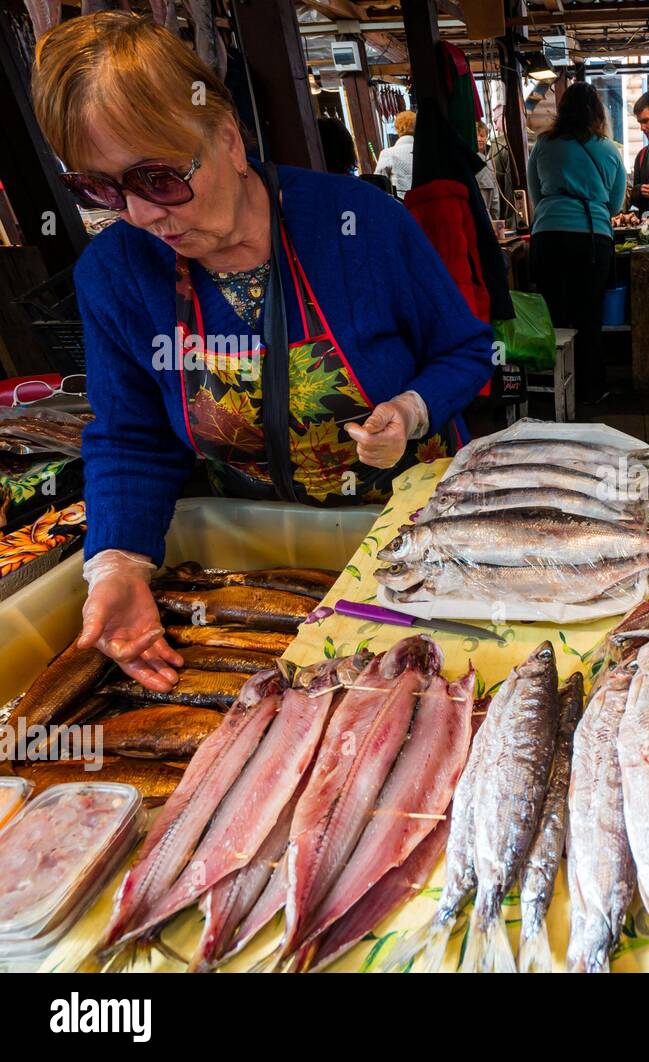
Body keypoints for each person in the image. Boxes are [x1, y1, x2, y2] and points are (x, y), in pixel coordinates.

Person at [31, 13, 493, 692]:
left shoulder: (358, 225)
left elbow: (466, 348)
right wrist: (118, 565)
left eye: (158, 179)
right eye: (100, 189)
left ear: (227, 138)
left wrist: (412, 410)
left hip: (418, 544)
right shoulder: (116, 273)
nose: (139, 215)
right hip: (257, 556)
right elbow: (131, 438)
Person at [526, 82, 627, 403]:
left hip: (548, 236)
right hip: (591, 237)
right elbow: (614, 206)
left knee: (554, 314)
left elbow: (536, 195)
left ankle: (554, 391)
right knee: (589, 317)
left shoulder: (543, 145)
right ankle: (591, 390)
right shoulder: (608, 149)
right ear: (596, 112)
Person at [375, 110, 416, 199]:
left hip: (401, 205)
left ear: (397, 128)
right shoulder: (425, 152)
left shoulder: (388, 153)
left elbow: (378, 182)